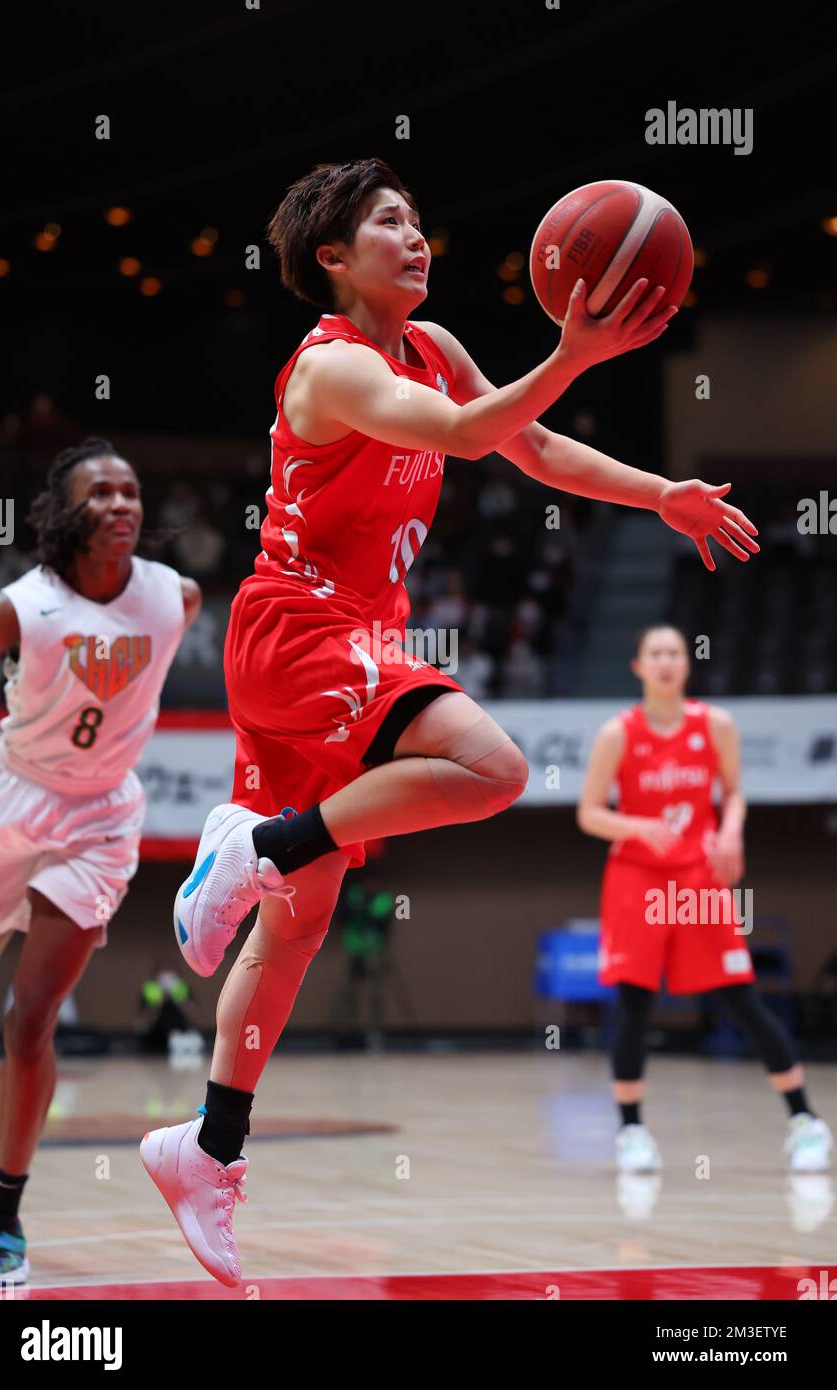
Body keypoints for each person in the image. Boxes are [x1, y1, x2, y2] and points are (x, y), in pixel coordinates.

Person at [141, 157, 759, 1286]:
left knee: (296, 926)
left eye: (420, 219)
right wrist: (571, 353)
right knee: (490, 765)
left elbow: (531, 448)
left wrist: (656, 492)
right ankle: (254, 846)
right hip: (300, 633)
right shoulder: (333, 366)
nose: (416, 236)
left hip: (349, 637)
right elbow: (474, 433)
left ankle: (207, 1148)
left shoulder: (434, 349)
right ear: (331, 257)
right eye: (388, 222)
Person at [0, 437, 201, 1285]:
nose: (122, 504)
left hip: (99, 814)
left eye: (132, 491)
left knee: (31, 1019)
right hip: (10, 797)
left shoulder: (173, 598)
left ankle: (1, 1221)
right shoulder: (19, 609)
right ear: (66, 515)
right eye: (101, 493)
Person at [576, 625, 832, 1175]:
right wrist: (640, 826)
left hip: (698, 874)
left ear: (687, 665)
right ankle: (631, 1132)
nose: (666, 662)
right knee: (634, 1001)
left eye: (675, 653)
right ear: (638, 666)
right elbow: (589, 813)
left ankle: (805, 1121)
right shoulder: (616, 734)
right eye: (655, 653)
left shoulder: (715, 724)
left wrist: (733, 830)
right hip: (637, 878)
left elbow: (734, 793)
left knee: (740, 995)